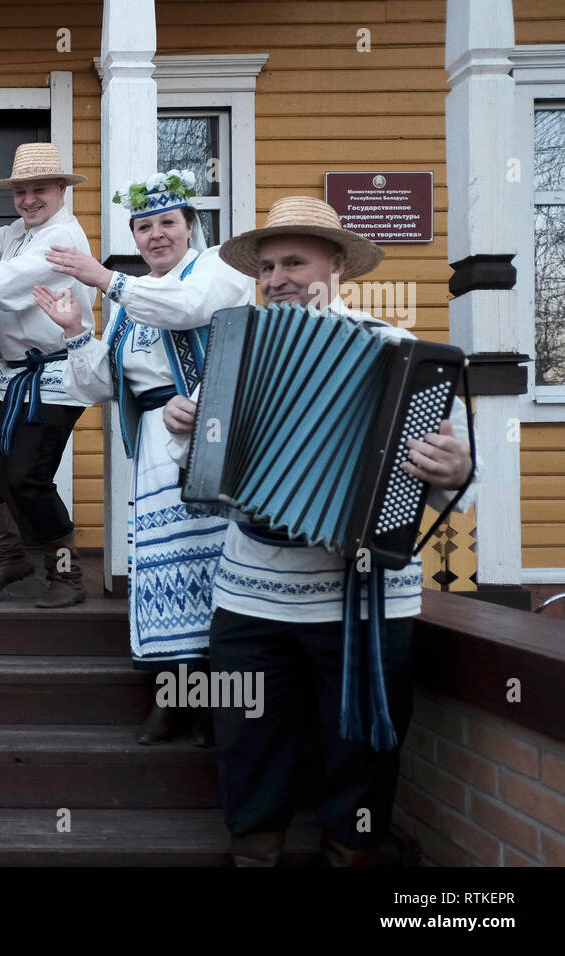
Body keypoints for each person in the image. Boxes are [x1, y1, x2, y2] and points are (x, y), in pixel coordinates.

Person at [162, 196, 477, 866]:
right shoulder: (231, 353)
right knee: (247, 735)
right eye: (268, 265)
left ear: (337, 265)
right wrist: (186, 434)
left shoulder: (397, 354)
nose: (277, 277)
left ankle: (351, 853)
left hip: (363, 596)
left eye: (295, 261)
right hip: (249, 592)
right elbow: (203, 483)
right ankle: (255, 852)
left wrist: (454, 467)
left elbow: (454, 469)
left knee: (361, 744)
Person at [35, 170, 252, 744]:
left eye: (167, 223)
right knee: (164, 572)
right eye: (143, 226)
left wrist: (104, 278)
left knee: (210, 571)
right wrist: (78, 330)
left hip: (212, 442)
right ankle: (171, 700)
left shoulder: (213, 270)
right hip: (156, 451)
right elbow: (102, 384)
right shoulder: (131, 301)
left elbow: (187, 309)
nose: (156, 235)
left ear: (190, 228)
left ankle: (214, 710)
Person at [0, 142, 95, 608]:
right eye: (22, 190)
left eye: (39, 189)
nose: (29, 199)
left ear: (61, 190)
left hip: (58, 374)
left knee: (27, 477)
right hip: (11, 376)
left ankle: (67, 577)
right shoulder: (18, 233)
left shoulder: (63, 239)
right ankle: (7, 557)